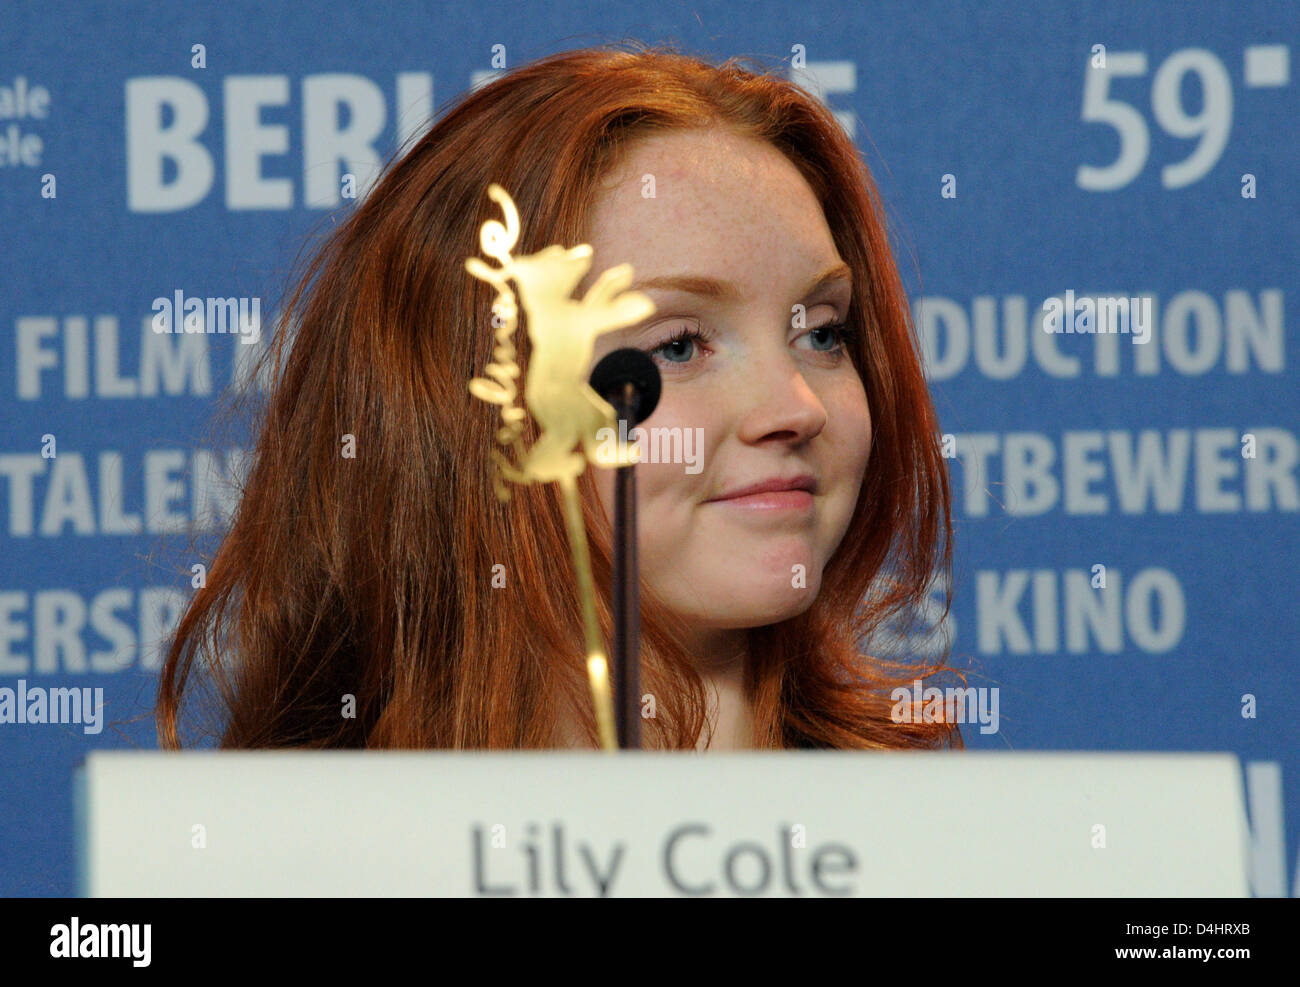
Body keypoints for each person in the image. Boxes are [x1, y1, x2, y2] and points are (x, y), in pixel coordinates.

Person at [154, 43, 963, 752]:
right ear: (471, 404)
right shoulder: (291, 857)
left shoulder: (945, 845)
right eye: (677, 346)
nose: (797, 406)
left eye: (821, 332)